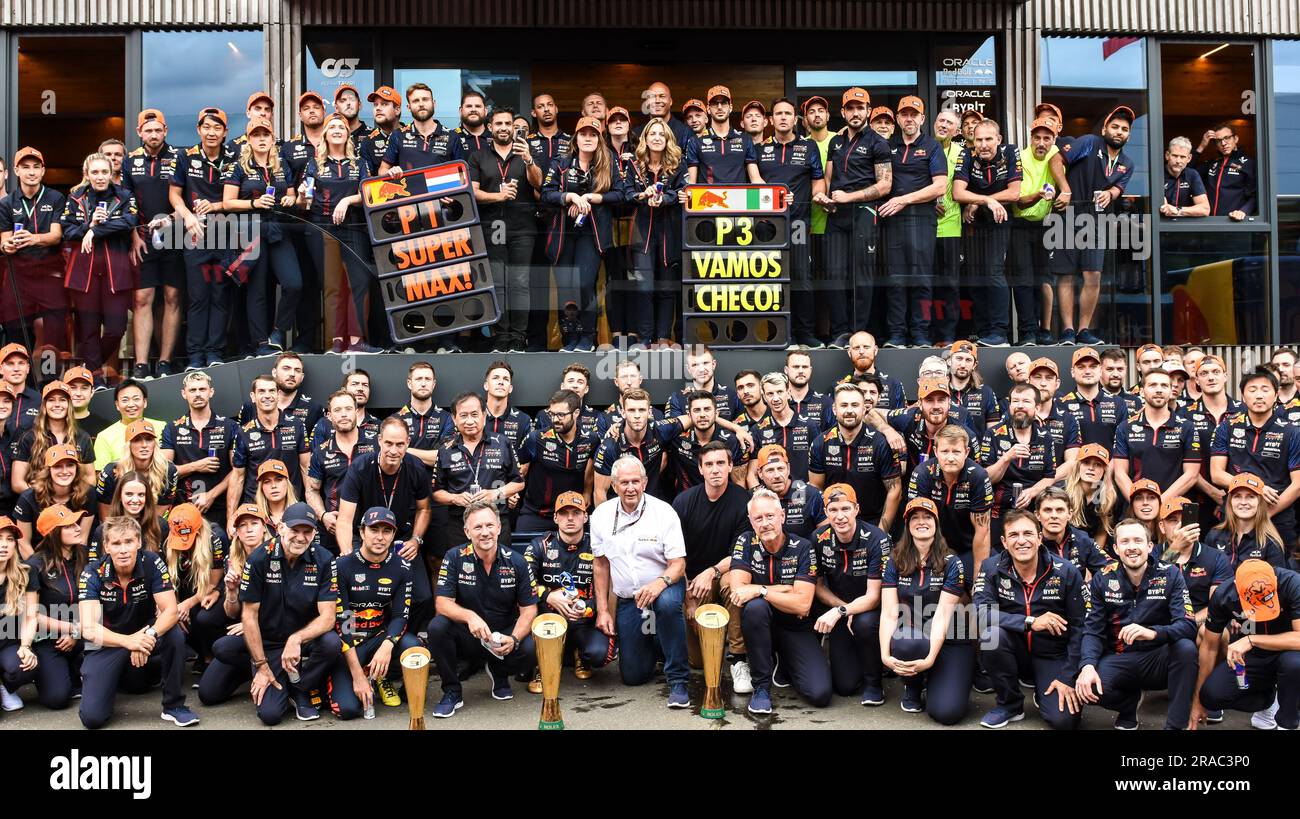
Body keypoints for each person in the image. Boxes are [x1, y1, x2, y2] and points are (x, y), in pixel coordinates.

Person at [1074, 518, 1197, 730]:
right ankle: (1129, 706)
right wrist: (1087, 666)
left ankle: (1176, 726)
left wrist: (1153, 633)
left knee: (1186, 648)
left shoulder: (1170, 573)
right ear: (1115, 548)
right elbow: (1093, 630)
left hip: (1158, 657)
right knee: (1088, 686)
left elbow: (1188, 625)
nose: (1132, 547)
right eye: (1125, 541)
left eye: (1138, 541)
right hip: (1120, 657)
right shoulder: (1102, 579)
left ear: (1150, 546)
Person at [77, 516, 198, 728]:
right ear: (106, 546)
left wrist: (147, 636)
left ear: (139, 543)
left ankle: (174, 706)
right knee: (92, 718)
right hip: (107, 643)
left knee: (174, 634)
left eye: (129, 542)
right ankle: (108, 684)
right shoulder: (92, 572)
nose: (123, 550)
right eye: (116, 543)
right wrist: (129, 642)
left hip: (146, 635)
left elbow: (170, 610)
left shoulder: (151, 561)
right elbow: (88, 628)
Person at [974, 508, 1086, 729]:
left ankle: (1043, 692)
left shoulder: (1066, 571)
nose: (1021, 541)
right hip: (1013, 649)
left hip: (1053, 655)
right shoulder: (991, 568)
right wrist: (1031, 622)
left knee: (1064, 721)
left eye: (1028, 534)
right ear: (1004, 542)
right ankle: (1010, 705)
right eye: (1014, 535)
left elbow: (1081, 627)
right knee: (991, 635)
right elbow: (980, 613)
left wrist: (1068, 675)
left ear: (1039, 538)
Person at [591, 456, 690, 706]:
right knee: (633, 676)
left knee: (667, 606)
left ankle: (678, 680)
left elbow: (679, 563)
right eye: (624, 482)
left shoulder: (664, 512)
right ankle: (659, 646)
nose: (630, 488)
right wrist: (603, 611)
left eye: (636, 481)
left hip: (665, 585)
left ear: (645, 482)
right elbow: (601, 565)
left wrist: (659, 583)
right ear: (614, 485)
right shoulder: (601, 515)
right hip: (629, 599)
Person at [427, 501, 538, 717]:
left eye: (489, 525)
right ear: (467, 532)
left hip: (502, 636)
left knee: (531, 646)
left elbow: (529, 610)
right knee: (437, 626)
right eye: (477, 527)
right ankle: (452, 691)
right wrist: (470, 617)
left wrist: (514, 639)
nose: (485, 532)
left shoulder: (517, 561)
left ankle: (499, 671)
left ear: (499, 527)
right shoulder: (453, 557)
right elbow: (442, 602)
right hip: (469, 635)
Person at [237, 502, 342, 724]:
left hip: (305, 640)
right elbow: (248, 616)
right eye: (295, 530)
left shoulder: (324, 559)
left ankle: (301, 688)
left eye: (307, 531)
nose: (301, 538)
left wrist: (297, 638)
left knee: (332, 642)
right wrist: (262, 666)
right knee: (270, 715)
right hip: (271, 644)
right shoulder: (258, 558)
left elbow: (328, 617)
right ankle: (280, 679)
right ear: (281, 528)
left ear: (315, 532)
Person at [727, 489, 828, 714]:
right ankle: (761, 687)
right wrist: (784, 589)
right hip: (760, 625)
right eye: (758, 518)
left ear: (782, 516)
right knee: (754, 608)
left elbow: (803, 604)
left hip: (795, 625)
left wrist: (760, 589)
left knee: (820, 694)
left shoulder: (802, 547)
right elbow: (738, 591)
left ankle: (785, 662)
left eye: (770, 516)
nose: (765, 523)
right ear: (751, 522)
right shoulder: (745, 541)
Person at [878, 496, 973, 723]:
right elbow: (889, 612)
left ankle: (934, 674)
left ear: (936, 524)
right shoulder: (894, 560)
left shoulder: (952, 562)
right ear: (907, 525)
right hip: (914, 635)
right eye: (915, 517)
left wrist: (930, 658)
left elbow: (942, 615)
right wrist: (885, 655)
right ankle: (913, 685)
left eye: (927, 517)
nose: (921, 521)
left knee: (946, 713)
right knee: (906, 640)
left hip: (951, 637)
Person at [1054, 106, 1137, 345]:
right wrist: (1065, 188)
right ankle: (1068, 331)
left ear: (1128, 135)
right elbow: (1056, 161)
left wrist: (1111, 192)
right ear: (1105, 128)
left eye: (1124, 129)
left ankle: (1083, 330)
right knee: (1066, 275)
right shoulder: (1090, 142)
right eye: (1115, 126)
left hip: (1097, 222)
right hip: (1068, 215)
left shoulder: (1127, 163)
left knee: (1093, 275)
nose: (1119, 132)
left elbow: (1119, 187)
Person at [817, 88, 893, 347]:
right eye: (850, 108)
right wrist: (824, 198)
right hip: (836, 215)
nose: (855, 112)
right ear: (843, 112)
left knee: (863, 277)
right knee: (834, 274)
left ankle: (860, 334)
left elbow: (885, 186)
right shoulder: (836, 142)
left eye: (860, 108)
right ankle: (840, 333)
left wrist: (850, 197)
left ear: (868, 111)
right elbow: (828, 178)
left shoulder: (877, 143)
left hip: (864, 213)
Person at [541, 116, 625, 352]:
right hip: (563, 234)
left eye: (593, 134)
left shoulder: (608, 164)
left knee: (585, 285)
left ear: (599, 139)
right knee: (566, 288)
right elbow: (546, 194)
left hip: (593, 234)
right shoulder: (561, 163)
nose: (588, 138)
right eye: (583, 134)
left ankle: (588, 337)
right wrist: (569, 197)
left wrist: (592, 198)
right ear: (575, 138)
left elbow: (621, 195)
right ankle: (570, 339)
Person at [673, 440, 752, 686]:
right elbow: (676, 556)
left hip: (725, 573)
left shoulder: (743, 501)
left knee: (734, 581)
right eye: (709, 464)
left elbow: (741, 552)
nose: (715, 469)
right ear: (700, 469)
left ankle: (739, 658)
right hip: (695, 583)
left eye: (720, 463)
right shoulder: (684, 502)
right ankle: (713, 639)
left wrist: (713, 571)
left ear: (730, 466)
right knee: (697, 661)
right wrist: (689, 601)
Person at [330, 506, 420, 719]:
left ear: (393, 535)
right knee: (348, 710)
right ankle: (366, 675)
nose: (380, 537)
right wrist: (357, 674)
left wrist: (387, 645)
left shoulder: (403, 567)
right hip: (349, 645)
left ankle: (382, 676)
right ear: (361, 532)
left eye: (386, 531)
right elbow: (342, 621)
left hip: (379, 640)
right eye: (374, 530)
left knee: (413, 646)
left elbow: (400, 616)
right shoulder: (341, 566)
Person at [299, 112, 378, 353]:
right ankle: (334, 342)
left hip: (354, 226)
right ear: (325, 133)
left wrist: (346, 201)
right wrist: (302, 194)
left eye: (341, 127)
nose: (336, 130)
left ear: (347, 134)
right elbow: (304, 204)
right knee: (333, 286)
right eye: (332, 127)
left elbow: (369, 193)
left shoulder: (360, 163)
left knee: (360, 282)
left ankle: (356, 341)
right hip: (322, 228)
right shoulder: (314, 164)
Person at [221, 116, 300, 356]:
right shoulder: (238, 166)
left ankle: (278, 331)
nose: (262, 139)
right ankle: (260, 344)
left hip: (278, 229)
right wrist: (254, 203)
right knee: (257, 291)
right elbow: (227, 202)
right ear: (248, 139)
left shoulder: (281, 164)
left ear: (273, 138)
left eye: (266, 134)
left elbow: (293, 194)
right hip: (251, 230)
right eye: (256, 135)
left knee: (294, 283)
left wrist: (290, 199)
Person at [1190, 559, 1300, 730]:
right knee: (1211, 696)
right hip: (1254, 656)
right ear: (1236, 585)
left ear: (1275, 580)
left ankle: (1288, 723)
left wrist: (1251, 640)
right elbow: (1210, 647)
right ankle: (1269, 699)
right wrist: (1197, 702)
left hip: (1288, 651)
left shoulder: (1293, 583)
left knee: (1294, 664)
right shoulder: (1223, 595)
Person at [524, 492, 615, 691]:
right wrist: (548, 595)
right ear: (555, 517)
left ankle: (580, 654)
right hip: (547, 617)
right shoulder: (540, 545)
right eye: (564, 513)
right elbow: (523, 584)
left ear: (586, 516)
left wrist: (588, 609)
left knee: (600, 654)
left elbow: (610, 588)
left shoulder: (597, 546)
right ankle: (540, 665)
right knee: (524, 652)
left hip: (583, 619)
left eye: (576, 512)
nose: (570, 518)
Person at [811, 483, 891, 705]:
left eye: (845, 509)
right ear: (826, 512)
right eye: (833, 510)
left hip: (871, 609)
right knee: (844, 687)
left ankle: (874, 683)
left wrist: (843, 611)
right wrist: (842, 610)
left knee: (864, 624)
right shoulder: (818, 538)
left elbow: (874, 596)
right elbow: (817, 586)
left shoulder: (877, 539)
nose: (840, 516)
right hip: (840, 609)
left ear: (857, 509)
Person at [60, 152, 139, 375]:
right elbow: (67, 230)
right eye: (95, 172)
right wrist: (89, 226)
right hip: (84, 274)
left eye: (105, 171)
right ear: (87, 174)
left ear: (112, 173)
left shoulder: (124, 195)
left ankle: (88, 368)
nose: (100, 176)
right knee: (89, 331)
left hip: (117, 272)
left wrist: (94, 231)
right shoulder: (76, 197)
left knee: (116, 329)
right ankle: (94, 376)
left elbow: (129, 221)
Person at [878, 96, 947, 349]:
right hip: (892, 221)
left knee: (921, 278)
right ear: (898, 118)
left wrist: (904, 199)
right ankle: (897, 334)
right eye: (904, 114)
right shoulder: (887, 146)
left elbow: (940, 185)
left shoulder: (932, 146)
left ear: (922, 118)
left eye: (913, 114)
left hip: (922, 220)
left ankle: (920, 334)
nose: (909, 118)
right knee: (895, 279)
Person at [169, 107, 234, 370]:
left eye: (217, 128)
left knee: (220, 295)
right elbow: (174, 195)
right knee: (197, 296)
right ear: (198, 129)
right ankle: (195, 356)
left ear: (225, 132)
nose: (211, 132)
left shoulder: (235, 157)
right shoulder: (185, 156)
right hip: (194, 235)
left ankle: (215, 352)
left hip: (227, 234)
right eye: (206, 127)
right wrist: (187, 216)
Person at [757, 98, 826, 347]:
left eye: (788, 113)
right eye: (778, 113)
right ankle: (778, 333)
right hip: (766, 226)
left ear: (795, 118)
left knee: (801, 279)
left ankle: (805, 333)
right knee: (770, 281)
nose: (783, 117)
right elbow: (751, 186)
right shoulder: (759, 150)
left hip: (798, 223)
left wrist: (819, 195)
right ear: (771, 119)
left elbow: (818, 180)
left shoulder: (808, 148)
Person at [469, 106, 537, 353]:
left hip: (522, 227)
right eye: (498, 124)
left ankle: (518, 337)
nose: (504, 128)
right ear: (490, 127)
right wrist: (498, 196)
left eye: (508, 124)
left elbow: (539, 184)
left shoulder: (527, 152)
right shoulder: (478, 156)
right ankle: (501, 336)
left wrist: (529, 160)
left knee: (519, 282)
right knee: (497, 282)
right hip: (492, 226)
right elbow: (472, 192)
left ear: (514, 127)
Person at [1212, 367, 1300, 553]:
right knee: (1228, 574)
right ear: (1243, 396)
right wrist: (1256, 486)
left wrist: (1263, 516)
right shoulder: (1226, 427)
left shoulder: (1292, 432)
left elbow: (1298, 484)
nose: (1259, 395)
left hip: (1277, 517)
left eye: (1265, 389)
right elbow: (1217, 474)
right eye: (1252, 390)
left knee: (1281, 576)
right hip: (1235, 515)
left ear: (1276, 395)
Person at [121, 111, 183, 377]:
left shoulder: (180, 157)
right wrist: (132, 233)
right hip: (143, 236)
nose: (153, 135)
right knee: (142, 298)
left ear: (166, 131)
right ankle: (142, 363)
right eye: (148, 131)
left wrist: (172, 219)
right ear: (139, 132)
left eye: (158, 130)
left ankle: (166, 361)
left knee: (172, 296)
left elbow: (187, 198)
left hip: (175, 233)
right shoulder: (129, 161)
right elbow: (125, 200)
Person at [952, 120, 1021, 347]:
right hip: (973, 223)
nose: (983, 145)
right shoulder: (966, 154)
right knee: (974, 278)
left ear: (999, 139)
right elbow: (957, 193)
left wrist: (982, 202)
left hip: (999, 222)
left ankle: (1000, 332)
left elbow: (1014, 193)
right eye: (978, 139)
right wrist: (985, 200)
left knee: (993, 273)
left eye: (988, 139)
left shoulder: (1010, 152)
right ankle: (984, 333)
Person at [194, 502, 266, 706]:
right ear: (237, 532)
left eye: (254, 523)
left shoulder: (274, 555)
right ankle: (248, 669)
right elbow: (232, 612)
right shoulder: (232, 558)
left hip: (269, 629)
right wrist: (232, 591)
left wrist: (249, 624)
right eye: (243, 525)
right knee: (208, 694)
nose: (249, 529)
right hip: (245, 626)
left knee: (223, 647)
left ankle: (267, 666)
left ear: (264, 528)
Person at [433, 392, 525, 550]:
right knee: (462, 572)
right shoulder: (445, 450)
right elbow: (436, 492)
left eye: (474, 414)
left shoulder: (502, 443)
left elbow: (519, 483)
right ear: (454, 419)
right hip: (460, 526)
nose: (469, 421)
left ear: (484, 415)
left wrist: (496, 494)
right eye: (463, 415)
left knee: (500, 571)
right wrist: (455, 498)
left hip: (495, 523)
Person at [0, 148, 67, 355]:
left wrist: (34, 238)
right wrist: (8, 246)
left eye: (36, 167)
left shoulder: (55, 197)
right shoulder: (6, 203)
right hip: (19, 275)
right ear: (16, 171)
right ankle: (22, 383)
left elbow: (56, 235)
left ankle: (49, 383)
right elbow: (3, 241)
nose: (31, 172)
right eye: (26, 167)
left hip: (49, 274)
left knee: (52, 335)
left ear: (43, 171)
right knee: (16, 331)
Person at [979, 383, 1065, 543]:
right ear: (1009, 405)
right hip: (1000, 508)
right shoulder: (993, 434)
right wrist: (1006, 458)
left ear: (1037, 408)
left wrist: (1032, 492)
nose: (1020, 406)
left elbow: (1049, 477)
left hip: (1034, 506)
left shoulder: (1045, 437)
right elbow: (986, 478)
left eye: (1026, 401)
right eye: (1015, 401)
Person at [809, 382, 902, 530]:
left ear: (864, 408)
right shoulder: (820, 443)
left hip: (872, 522)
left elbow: (894, 490)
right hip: (835, 522)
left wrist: (881, 531)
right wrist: (828, 525)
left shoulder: (880, 443)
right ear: (834, 409)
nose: (849, 410)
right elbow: (816, 488)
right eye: (844, 405)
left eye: (855, 405)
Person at [627, 117, 687, 348]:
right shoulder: (634, 165)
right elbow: (625, 193)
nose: (657, 138)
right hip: (642, 234)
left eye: (662, 134)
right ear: (645, 139)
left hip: (669, 233)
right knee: (644, 288)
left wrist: (665, 198)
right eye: (653, 134)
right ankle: (645, 338)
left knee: (667, 289)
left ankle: (662, 337)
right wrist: (643, 195)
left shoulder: (678, 165)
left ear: (668, 139)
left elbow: (684, 191)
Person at [1008, 115, 1067, 345]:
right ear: (1030, 139)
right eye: (1037, 138)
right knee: (1022, 281)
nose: (1041, 143)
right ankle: (1027, 333)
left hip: (1047, 224)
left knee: (1043, 280)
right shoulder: (1019, 158)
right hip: (1021, 225)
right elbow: (1019, 201)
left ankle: (1044, 331)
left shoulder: (1057, 157)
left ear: (1054, 139)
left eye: (1047, 138)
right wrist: (1038, 196)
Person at [907, 424, 993, 573]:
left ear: (966, 452)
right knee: (925, 588)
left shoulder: (978, 476)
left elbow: (983, 532)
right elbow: (918, 523)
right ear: (935, 452)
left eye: (956, 452)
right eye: (945, 451)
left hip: (968, 547)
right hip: (932, 545)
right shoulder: (922, 473)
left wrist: (978, 582)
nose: (951, 458)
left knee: (987, 578)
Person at [27, 505, 88, 709]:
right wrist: (69, 629)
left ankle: (78, 667)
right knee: (56, 698)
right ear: (53, 533)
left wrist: (76, 632)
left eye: (76, 523)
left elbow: (97, 602)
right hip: (48, 639)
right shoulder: (35, 564)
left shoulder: (85, 555)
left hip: (84, 631)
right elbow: (32, 615)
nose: (78, 528)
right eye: (69, 526)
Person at [161, 370, 240, 526]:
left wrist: (211, 495)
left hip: (219, 507)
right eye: (192, 390)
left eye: (202, 389)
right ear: (184, 394)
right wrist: (196, 466)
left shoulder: (229, 426)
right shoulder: (172, 428)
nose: (198, 394)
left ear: (211, 392)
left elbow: (238, 470)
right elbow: (164, 471)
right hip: (183, 508)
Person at [304, 390, 377, 555]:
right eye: (337, 410)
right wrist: (323, 516)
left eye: (348, 409)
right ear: (329, 416)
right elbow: (312, 490)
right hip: (333, 528)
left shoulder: (376, 444)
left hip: (374, 525)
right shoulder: (320, 452)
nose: (343, 414)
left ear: (356, 411)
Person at [1112, 368, 1201, 502]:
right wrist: (1139, 503)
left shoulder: (1187, 427)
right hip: (1137, 509)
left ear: (1171, 391)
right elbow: (1120, 474)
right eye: (1153, 385)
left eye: (1164, 385)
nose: (1159, 390)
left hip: (1174, 511)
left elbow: (1191, 475)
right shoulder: (1125, 427)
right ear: (1142, 391)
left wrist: (1158, 503)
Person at [228, 373, 311, 514]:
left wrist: (311, 508)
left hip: (291, 507)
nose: (267, 395)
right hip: (256, 510)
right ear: (253, 397)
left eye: (271, 391)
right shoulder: (243, 432)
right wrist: (231, 517)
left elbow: (306, 468)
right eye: (261, 391)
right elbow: (238, 477)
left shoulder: (296, 425)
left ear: (278, 394)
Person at [517, 390, 597, 535]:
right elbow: (519, 469)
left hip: (572, 513)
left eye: (561, 415)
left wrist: (587, 491)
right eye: (552, 414)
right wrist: (513, 491)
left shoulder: (591, 439)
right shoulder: (536, 438)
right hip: (537, 513)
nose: (555, 419)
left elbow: (591, 464)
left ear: (576, 413)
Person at [162, 504, 227, 680]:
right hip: (182, 589)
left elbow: (212, 585)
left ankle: (209, 658)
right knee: (176, 617)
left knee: (201, 614)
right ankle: (201, 654)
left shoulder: (216, 538)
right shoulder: (166, 537)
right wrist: (173, 608)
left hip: (209, 591)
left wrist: (187, 604)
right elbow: (165, 583)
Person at [1159, 496, 1233, 626]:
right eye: (1173, 520)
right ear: (1162, 527)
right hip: (1161, 624)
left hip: (1200, 624)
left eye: (1185, 521)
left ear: (1196, 525)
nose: (1180, 526)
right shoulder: (1151, 554)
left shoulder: (1216, 557)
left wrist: (1187, 625)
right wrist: (1176, 547)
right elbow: (1152, 584)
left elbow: (1217, 606)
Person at [11, 380, 93, 495]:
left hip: (72, 505)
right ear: (44, 405)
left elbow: (90, 478)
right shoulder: (29, 437)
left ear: (69, 404)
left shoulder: (82, 437)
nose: (57, 404)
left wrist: (70, 497)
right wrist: (44, 497)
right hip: (39, 504)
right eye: (51, 400)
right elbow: (17, 483)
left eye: (62, 400)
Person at [14, 444, 96, 559]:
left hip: (73, 559)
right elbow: (24, 544)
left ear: (77, 468)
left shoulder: (88, 493)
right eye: (58, 466)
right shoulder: (28, 498)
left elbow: (82, 538)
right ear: (48, 469)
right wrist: (39, 572)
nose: (65, 471)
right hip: (38, 558)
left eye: (70, 465)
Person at [882, 378, 978, 473]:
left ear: (949, 403)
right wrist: (888, 431)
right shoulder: (909, 418)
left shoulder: (966, 436)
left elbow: (977, 476)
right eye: (929, 400)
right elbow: (872, 413)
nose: (936, 406)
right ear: (919, 403)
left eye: (941, 400)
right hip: (912, 486)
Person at [660, 390, 744, 493]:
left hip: (722, 500)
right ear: (689, 415)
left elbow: (739, 481)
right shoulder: (677, 439)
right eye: (697, 410)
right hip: (687, 502)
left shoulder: (731, 441)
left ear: (716, 413)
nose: (702, 415)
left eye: (707, 409)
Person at [594, 388, 667, 503]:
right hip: (621, 508)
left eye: (642, 410)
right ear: (623, 413)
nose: (637, 415)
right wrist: (604, 520)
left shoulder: (660, 431)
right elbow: (600, 491)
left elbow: (689, 418)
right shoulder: (609, 446)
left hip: (652, 505)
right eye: (631, 410)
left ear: (649, 412)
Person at [96, 419, 178, 518]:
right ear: (128, 445)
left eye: (149, 439)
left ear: (154, 444)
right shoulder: (111, 471)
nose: (144, 445)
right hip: (118, 524)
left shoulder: (168, 470)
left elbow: (157, 519)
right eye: (137, 440)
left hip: (150, 523)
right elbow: (106, 518)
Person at [1205, 472, 1288, 568]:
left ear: (1260, 502)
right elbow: (1204, 575)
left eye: (1250, 496)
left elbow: (1276, 581)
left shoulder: (1271, 543)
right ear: (1230, 502)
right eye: (1237, 496)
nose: (1243, 502)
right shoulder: (1214, 535)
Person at [747, 372, 818, 483]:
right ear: (764, 397)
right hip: (771, 495)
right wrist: (759, 495)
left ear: (788, 392)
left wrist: (810, 493)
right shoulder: (757, 430)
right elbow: (752, 474)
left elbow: (819, 469)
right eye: (770, 394)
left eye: (779, 392)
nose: (775, 398)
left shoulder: (810, 425)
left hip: (801, 493)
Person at [931, 110, 964, 345]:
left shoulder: (962, 154)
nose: (943, 125)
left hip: (951, 227)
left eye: (949, 123)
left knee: (950, 285)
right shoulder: (923, 148)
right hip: (925, 226)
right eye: (941, 120)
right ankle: (929, 333)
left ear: (957, 131)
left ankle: (948, 335)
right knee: (926, 284)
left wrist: (971, 205)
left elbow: (971, 184)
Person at [685, 85, 763, 185]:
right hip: (709, 199)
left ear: (730, 107)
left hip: (738, 199)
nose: (720, 107)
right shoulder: (695, 141)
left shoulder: (745, 139)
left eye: (724, 103)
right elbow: (691, 183)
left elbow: (756, 180)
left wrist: (779, 195)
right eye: (715, 103)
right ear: (708, 109)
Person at [378, 83, 462, 174]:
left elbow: (462, 174)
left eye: (425, 99)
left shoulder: (452, 137)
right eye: (416, 101)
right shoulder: (398, 135)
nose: (421, 104)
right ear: (409, 107)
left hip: (441, 188)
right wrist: (390, 172)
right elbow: (382, 170)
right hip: (408, 188)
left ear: (434, 104)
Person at [0, 515, 37, 712]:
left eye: (9, 539)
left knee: (26, 665)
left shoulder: (25, 573)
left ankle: (5, 687)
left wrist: (26, 646)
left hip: (8, 641)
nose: (3, 545)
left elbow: (31, 616)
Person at [236, 353, 324, 433]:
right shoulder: (250, 406)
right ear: (274, 372)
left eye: (297, 370)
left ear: (302, 377)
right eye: (286, 368)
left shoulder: (314, 408)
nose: (292, 374)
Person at [1057, 347, 1126, 449]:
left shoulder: (1118, 403)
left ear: (1100, 370)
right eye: (1081, 367)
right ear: (1072, 372)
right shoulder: (1061, 405)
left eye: (1093, 366)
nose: (1087, 371)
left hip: (1111, 465)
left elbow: (1123, 446)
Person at [753, 444, 824, 540]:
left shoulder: (811, 495)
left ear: (788, 468)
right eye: (770, 470)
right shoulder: (753, 498)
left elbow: (825, 535)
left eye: (780, 468)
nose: (777, 475)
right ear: (760, 473)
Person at [92, 379, 164, 471]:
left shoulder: (162, 427)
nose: (131, 404)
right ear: (117, 405)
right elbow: (100, 473)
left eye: (136, 399)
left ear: (145, 402)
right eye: (125, 400)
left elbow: (167, 465)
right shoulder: (104, 436)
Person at [1036, 486, 1108, 577]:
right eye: (1048, 510)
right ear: (1037, 515)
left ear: (1069, 514)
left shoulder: (1082, 539)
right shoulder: (1031, 542)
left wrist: (1091, 587)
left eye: (1060, 510)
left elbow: (1109, 567)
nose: (1054, 516)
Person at [828, 331, 907, 412]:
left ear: (875, 350)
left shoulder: (893, 385)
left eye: (866, 347)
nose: (861, 351)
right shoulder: (837, 387)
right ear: (849, 352)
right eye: (856, 347)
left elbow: (900, 421)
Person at [94, 469, 166, 555]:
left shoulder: (160, 526)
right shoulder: (102, 530)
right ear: (120, 496)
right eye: (129, 494)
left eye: (141, 495)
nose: (135, 500)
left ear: (147, 497)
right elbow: (95, 566)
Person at [1194, 123, 1257, 220]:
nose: (1223, 143)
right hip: (1209, 222)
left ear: (1235, 139)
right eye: (1219, 141)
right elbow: (1186, 172)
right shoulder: (1212, 163)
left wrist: (1243, 211)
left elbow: (1256, 195)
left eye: (1227, 138)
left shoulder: (1249, 164)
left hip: (1234, 222)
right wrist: (1201, 146)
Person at [1064, 444, 1118, 551]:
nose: (1091, 468)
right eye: (1086, 462)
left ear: (1104, 471)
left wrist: (1094, 558)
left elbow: (1101, 532)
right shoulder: (1063, 493)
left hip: (1088, 552)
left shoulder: (1105, 495)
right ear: (1078, 466)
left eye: (1098, 464)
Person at [667, 344, 742, 420]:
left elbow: (742, 427)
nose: (701, 369)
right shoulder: (678, 399)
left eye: (705, 363)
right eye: (695, 365)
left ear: (713, 364)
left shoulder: (732, 396)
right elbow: (673, 430)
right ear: (688, 369)